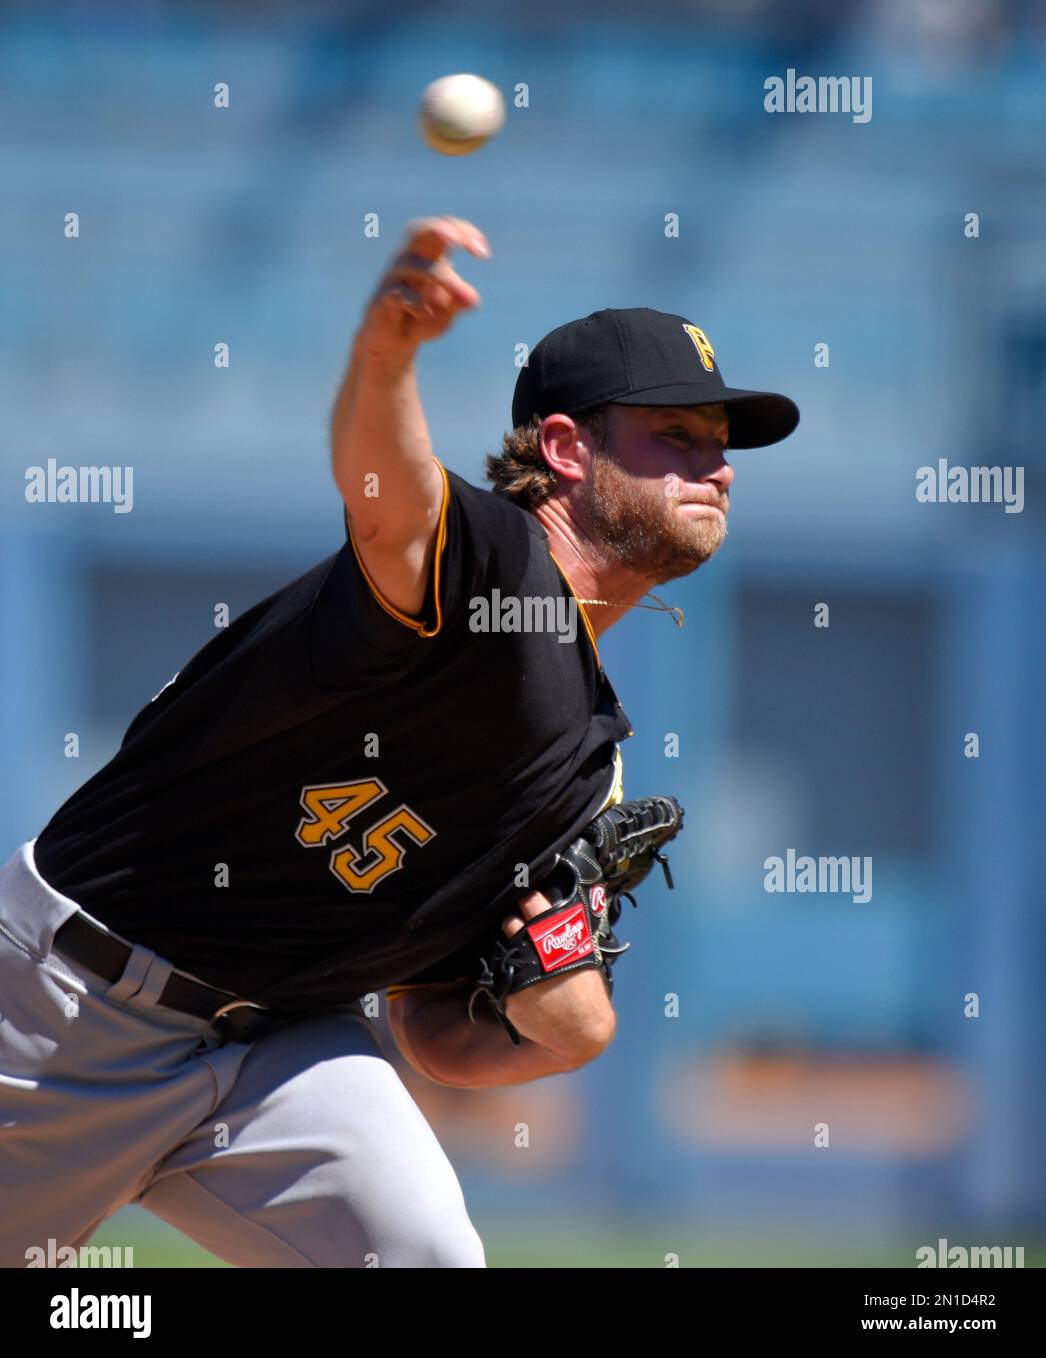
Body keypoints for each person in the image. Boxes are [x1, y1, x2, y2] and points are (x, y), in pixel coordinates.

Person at [0, 215, 798, 1269]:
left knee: (427, 1256)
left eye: (721, 446)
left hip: (285, 1044)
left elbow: (433, 1032)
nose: (719, 467)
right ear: (565, 448)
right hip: (69, 1016)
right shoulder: (494, 575)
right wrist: (386, 358)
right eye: (677, 437)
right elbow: (387, 500)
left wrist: (561, 1018)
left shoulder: (586, 772)